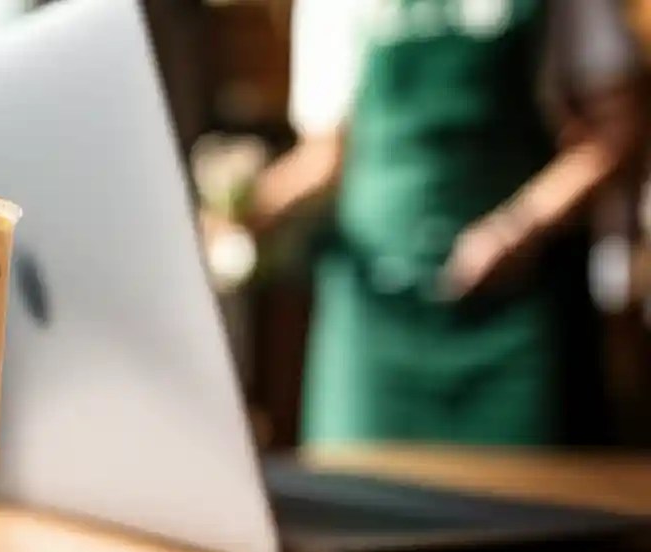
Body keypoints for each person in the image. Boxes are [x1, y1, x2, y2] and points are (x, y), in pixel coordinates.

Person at [240, 0, 646, 446]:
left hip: (518, 320)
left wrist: (518, 226)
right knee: (359, 496)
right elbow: (325, 155)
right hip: (374, 314)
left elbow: (619, 128)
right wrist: (238, 209)